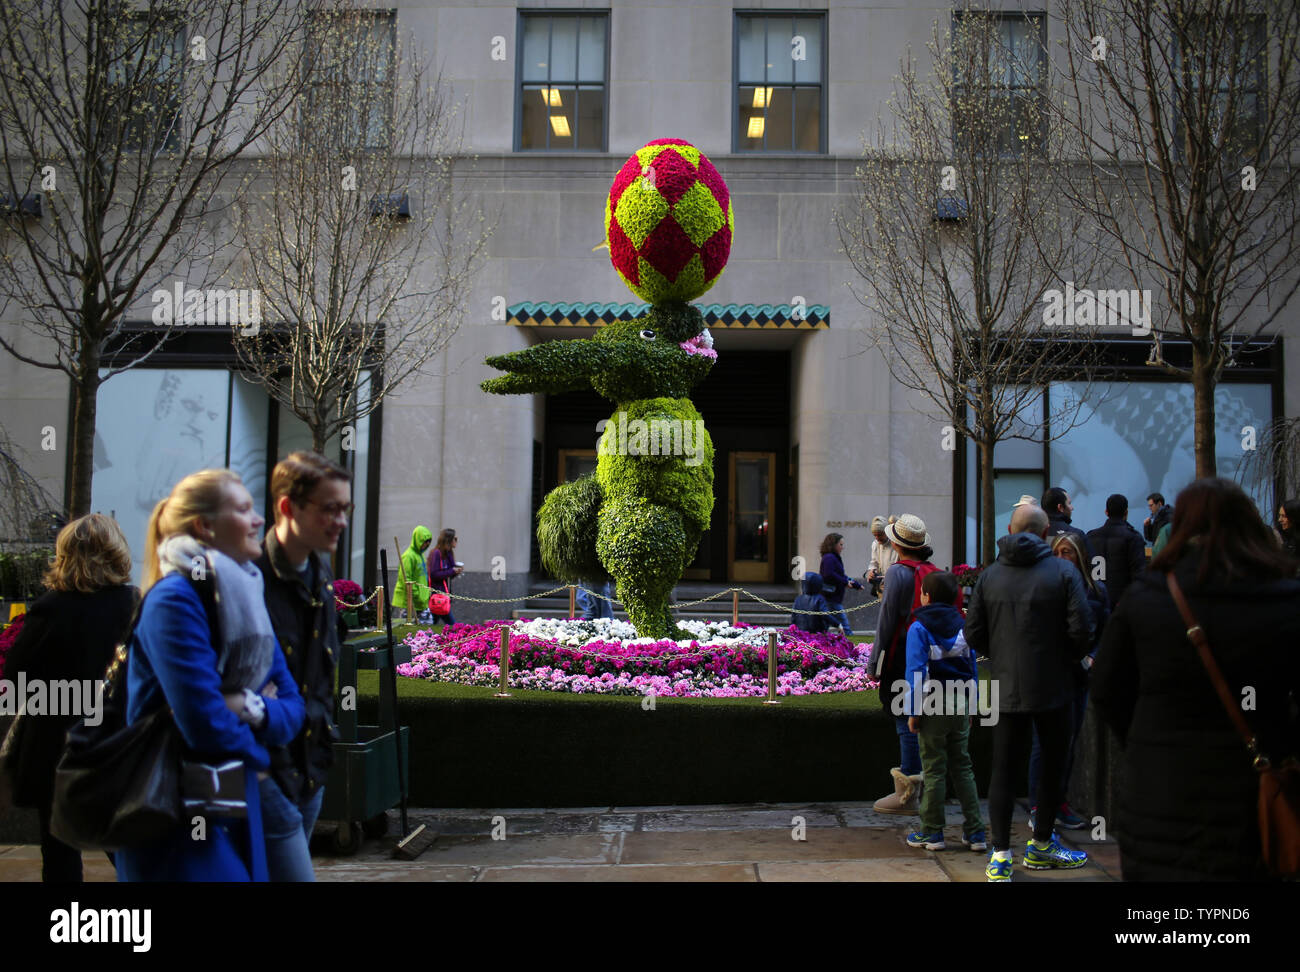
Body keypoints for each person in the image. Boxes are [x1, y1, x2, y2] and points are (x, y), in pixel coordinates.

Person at [1091, 478, 1300, 881]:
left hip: (1160, 792)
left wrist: (1143, 742)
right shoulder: (1283, 596)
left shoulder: (1149, 596)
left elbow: (1107, 688)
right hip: (1253, 794)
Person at [115, 469, 305, 882]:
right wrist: (258, 759)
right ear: (205, 525)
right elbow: (203, 722)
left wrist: (248, 707)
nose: (259, 520)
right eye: (243, 509)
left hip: (233, 796)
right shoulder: (174, 600)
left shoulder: (246, 598)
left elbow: (292, 708)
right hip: (173, 807)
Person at [2, 515, 137, 882]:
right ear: (115, 554)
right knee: (121, 842)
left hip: (54, 745)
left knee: (59, 846)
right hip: (115, 739)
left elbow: (15, 676)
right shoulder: (133, 604)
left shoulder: (50, 607)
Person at [964, 504, 1094, 881]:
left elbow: (973, 632)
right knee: (1053, 767)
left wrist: (1000, 657)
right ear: (1046, 531)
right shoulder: (1064, 571)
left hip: (1005, 686)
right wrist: (1065, 659)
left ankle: (1001, 853)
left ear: (1008, 528)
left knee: (1003, 769)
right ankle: (1040, 845)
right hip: (1055, 687)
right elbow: (1082, 629)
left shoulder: (990, 576)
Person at [255, 451, 351, 882]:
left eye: (345, 509)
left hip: (312, 766)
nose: (341, 521)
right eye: (329, 509)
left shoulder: (321, 569)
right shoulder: (248, 580)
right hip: (265, 772)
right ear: (287, 507)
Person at [1026, 533, 1110, 833]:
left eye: (1069, 553)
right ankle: (1038, 803)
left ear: (1080, 557)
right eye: (1058, 552)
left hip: (1079, 676)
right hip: (1049, 675)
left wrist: (1093, 656)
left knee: (1069, 740)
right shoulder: (1044, 589)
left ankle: (1059, 801)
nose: (1063, 558)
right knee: (1042, 743)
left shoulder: (1096, 591)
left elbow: (1105, 629)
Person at [902, 571, 986, 853]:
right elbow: (972, 667)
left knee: (934, 768)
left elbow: (916, 672)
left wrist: (913, 711)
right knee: (963, 767)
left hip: (932, 706)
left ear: (925, 596)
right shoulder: (964, 625)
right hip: (961, 703)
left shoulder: (918, 628)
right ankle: (976, 833)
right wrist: (972, 706)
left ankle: (932, 833)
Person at [865, 514, 940, 814]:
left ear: (896, 543)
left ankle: (907, 793)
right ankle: (932, 790)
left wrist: (874, 663)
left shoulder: (897, 573)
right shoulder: (931, 570)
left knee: (904, 718)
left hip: (902, 655)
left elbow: (886, 623)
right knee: (927, 718)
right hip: (932, 656)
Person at [1086, 494, 1145, 609]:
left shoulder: (1091, 536)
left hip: (1095, 600)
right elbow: (1139, 574)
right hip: (1122, 602)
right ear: (1126, 512)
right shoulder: (1133, 537)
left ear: (1106, 512)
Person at [818, 533, 863, 636]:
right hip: (831, 596)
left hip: (832, 596)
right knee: (843, 624)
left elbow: (840, 575)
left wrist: (855, 584)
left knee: (827, 623)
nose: (843, 547)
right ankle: (849, 641)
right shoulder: (830, 558)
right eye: (841, 544)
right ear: (834, 545)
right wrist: (845, 582)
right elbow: (829, 574)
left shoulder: (832, 557)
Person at [392, 526, 433, 621]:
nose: (427, 545)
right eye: (425, 541)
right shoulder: (408, 556)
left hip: (421, 602)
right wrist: (416, 595)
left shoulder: (420, 555)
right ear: (418, 540)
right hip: (410, 602)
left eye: (429, 542)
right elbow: (406, 579)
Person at [427, 528, 463, 627]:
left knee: (433, 623)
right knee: (452, 625)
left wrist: (456, 571)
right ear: (448, 540)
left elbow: (449, 572)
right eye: (455, 538)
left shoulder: (448, 553)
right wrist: (452, 571)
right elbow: (434, 574)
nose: (456, 541)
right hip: (438, 596)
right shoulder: (436, 553)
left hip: (444, 595)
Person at [1041, 486, 1092, 556]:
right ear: (1060, 507)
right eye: (1069, 503)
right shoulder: (1077, 535)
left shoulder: (1035, 534)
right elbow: (1090, 563)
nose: (1072, 508)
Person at [865, 516, 899, 597]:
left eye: (880, 535)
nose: (877, 538)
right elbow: (874, 563)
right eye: (875, 535)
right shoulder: (875, 544)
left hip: (897, 583)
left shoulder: (895, 544)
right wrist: (871, 572)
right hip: (882, 586)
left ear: (886, 532)